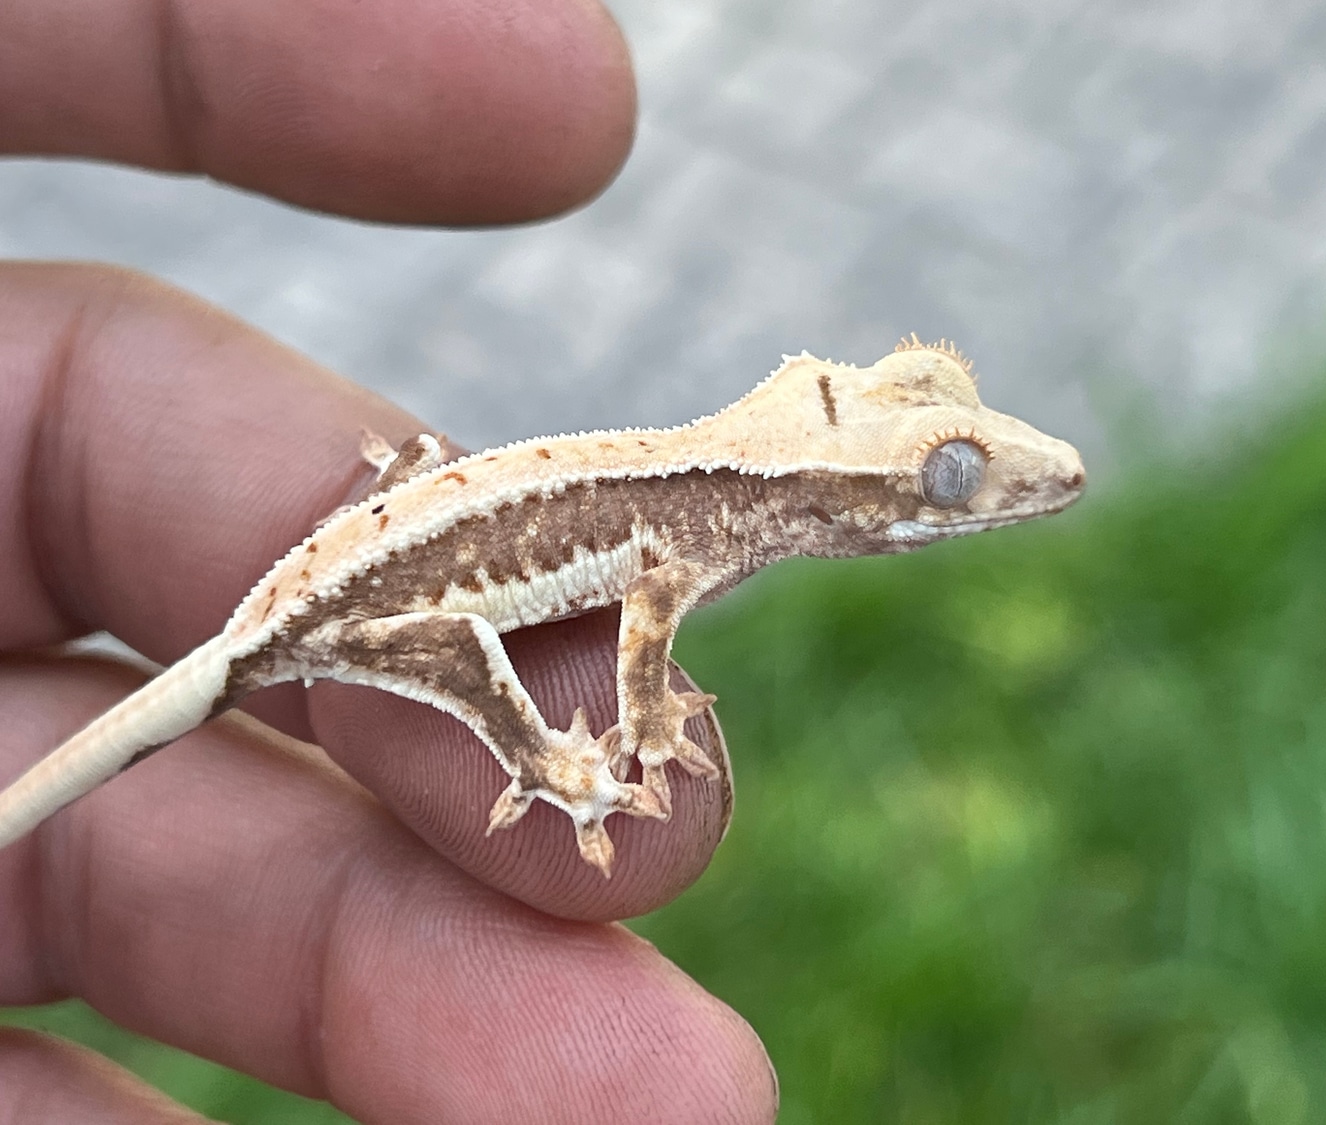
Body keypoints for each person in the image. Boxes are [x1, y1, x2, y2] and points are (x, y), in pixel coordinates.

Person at [0, 1, 778, 1120]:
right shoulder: (703, 530)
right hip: (359, 608)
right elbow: (645, 631)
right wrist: (633, 734)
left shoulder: (703, 501)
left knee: (435, 595)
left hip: (359, 567)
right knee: (463, 649)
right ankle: (543, 768)